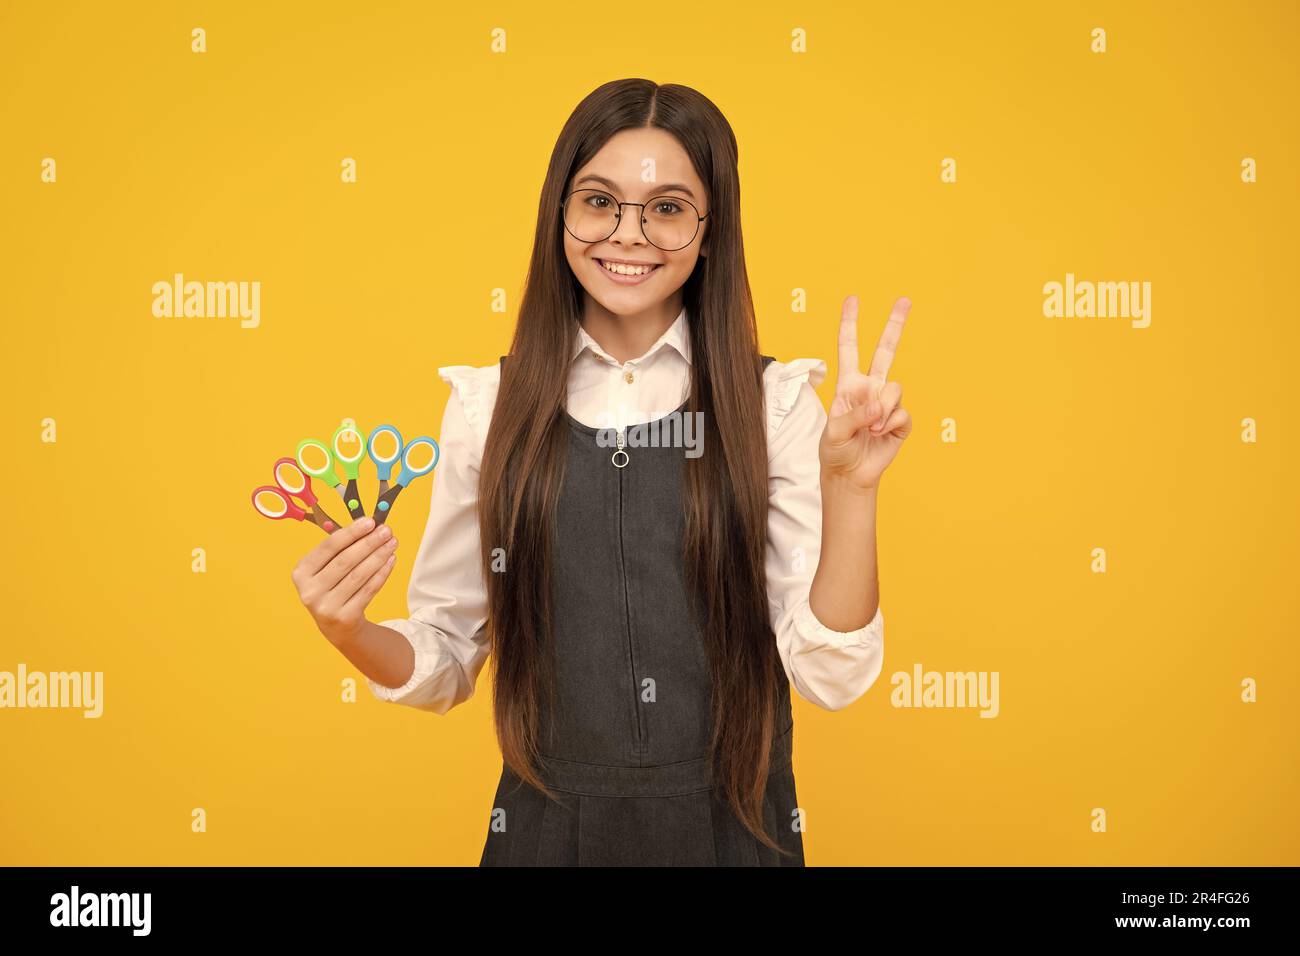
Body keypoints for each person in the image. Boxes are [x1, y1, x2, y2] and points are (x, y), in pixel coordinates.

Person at [290, 78, 913, 866]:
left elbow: (830, 676)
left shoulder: (772, 405)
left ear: (709, 230)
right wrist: (349, 631)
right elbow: (447, 655)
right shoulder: (490, 406)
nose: (628, 234)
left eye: (667, 208)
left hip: (735, 836)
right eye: (599, 201)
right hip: (546, 836)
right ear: (561, 214)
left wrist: (853, 491)